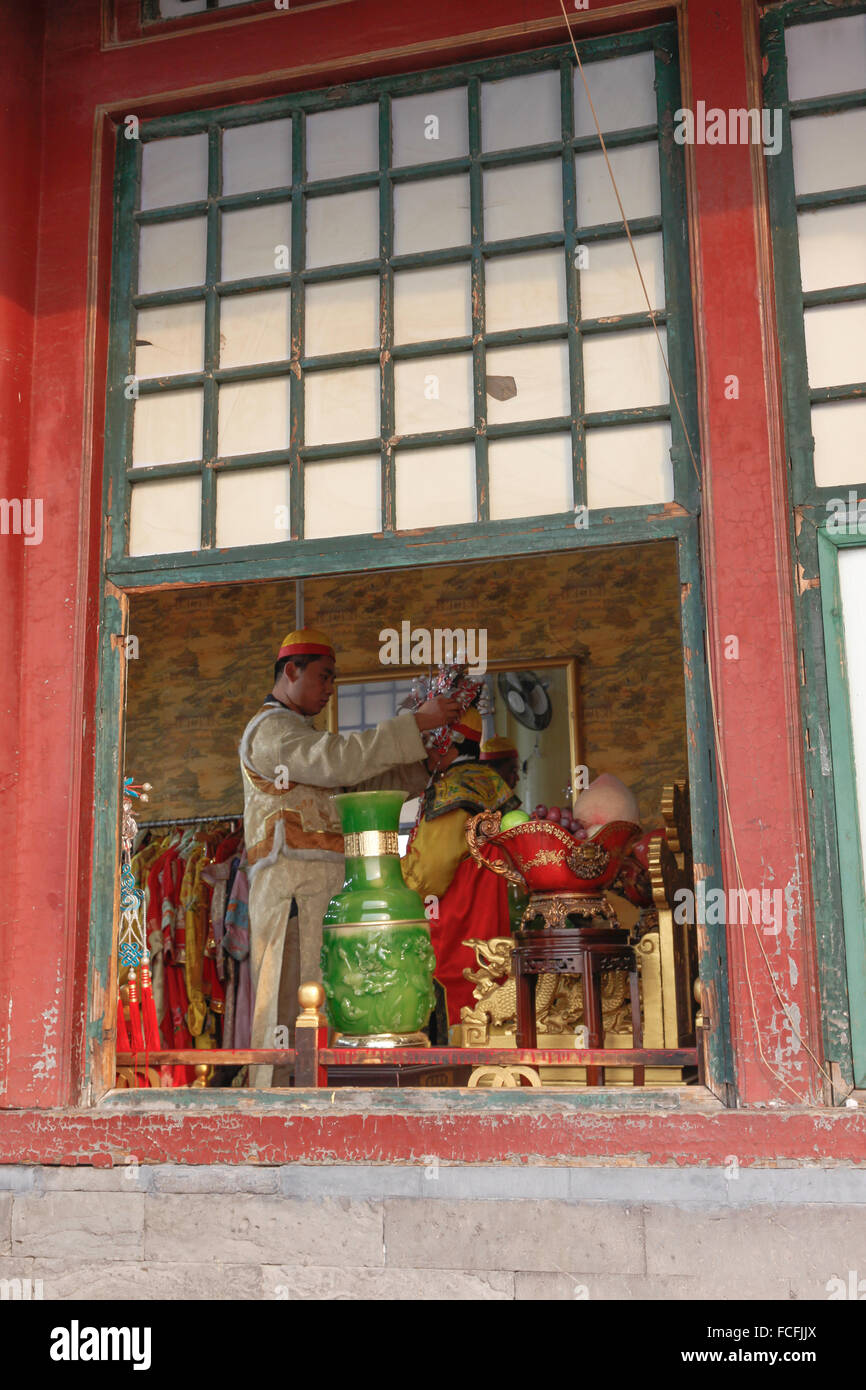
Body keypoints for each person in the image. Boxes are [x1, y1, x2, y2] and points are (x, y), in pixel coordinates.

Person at [240, 627, 458, 1085]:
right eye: (323, 677)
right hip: (291, 896)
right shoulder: (269, 731)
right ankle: (281, 1104)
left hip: (325, 892)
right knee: (290, 1001)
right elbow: (338, 761)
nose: (329, 689)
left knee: (331, 996)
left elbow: (352, 783)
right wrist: (415, 723)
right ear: (291, 671)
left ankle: (321, 1092)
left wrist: (422, 766)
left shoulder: (300, 735)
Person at [402, 706, 520, 1034]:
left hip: (457, 930)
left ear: (445, 744)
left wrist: (397, 878)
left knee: (454, 1015)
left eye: (425, 741)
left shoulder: (453, 792)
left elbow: (429, 875)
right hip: (487, 926)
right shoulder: (486, 785)